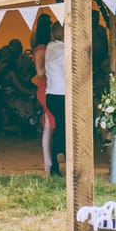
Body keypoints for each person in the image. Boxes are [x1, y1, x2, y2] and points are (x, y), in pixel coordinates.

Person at [32, 15, 56, 173]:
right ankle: (48, 163)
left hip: (51, 87)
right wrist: (55, 65)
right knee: (49, 126)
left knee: (50, 126)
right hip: (46, 88)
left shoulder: (48, 47)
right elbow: (40, 72)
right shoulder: (41, 49)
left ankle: (51, 161)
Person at [44, 22, 67, 177]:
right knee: (63, 131)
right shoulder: (63, 51)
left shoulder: (49, 47)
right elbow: (69, 71)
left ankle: (57, 162)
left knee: (60, 129)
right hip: (62, 94)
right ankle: (60, 162)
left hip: (51, 94)